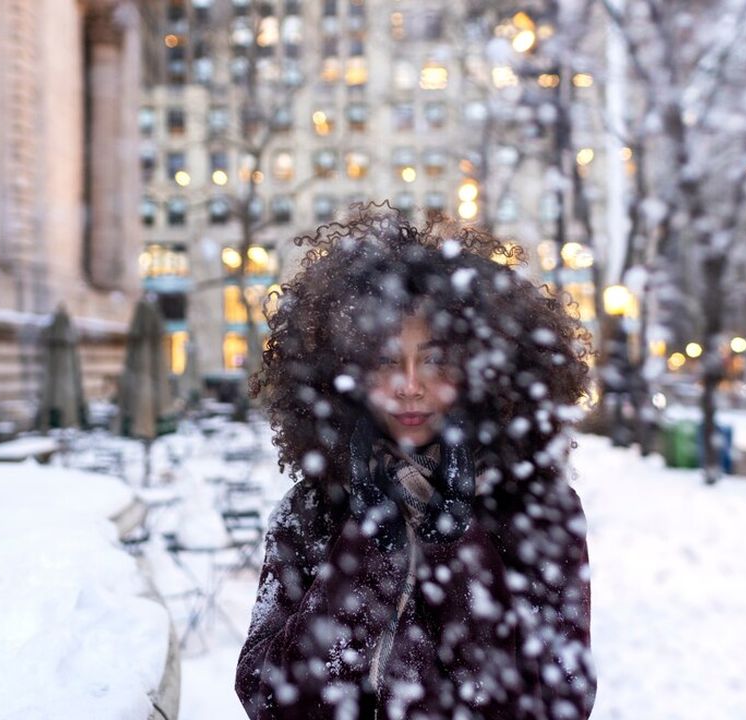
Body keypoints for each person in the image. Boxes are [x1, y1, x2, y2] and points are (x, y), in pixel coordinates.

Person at [236, 206, 596, 719]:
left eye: (434, 359)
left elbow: (557, 704)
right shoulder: (311, 508)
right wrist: (366, 551)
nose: (409, 384)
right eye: (385, 359)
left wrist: (453, 547)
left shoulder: (539, 512)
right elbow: (268, 699)